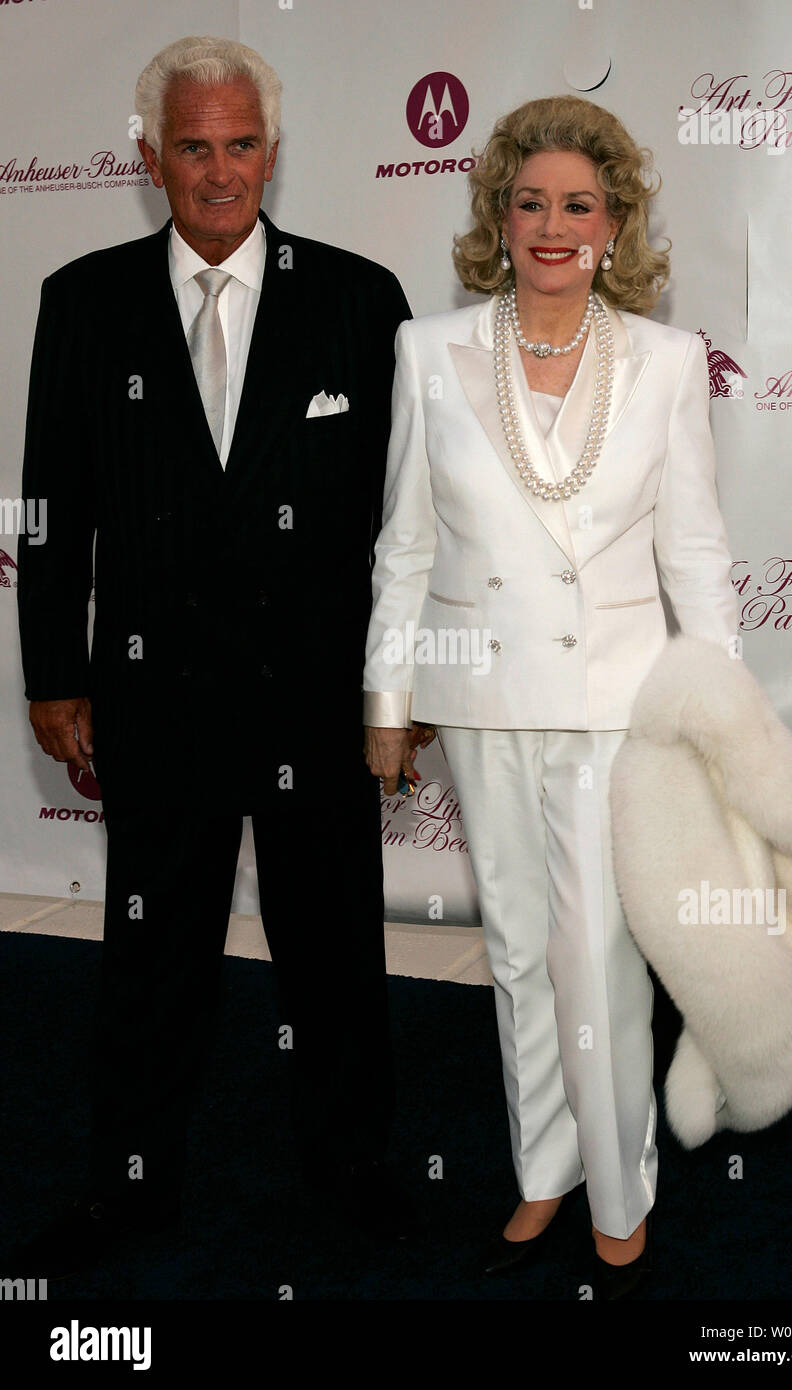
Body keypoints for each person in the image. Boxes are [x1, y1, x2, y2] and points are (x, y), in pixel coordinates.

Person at [16, 35, 410, 1274]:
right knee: (152, 958)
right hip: (156, 693)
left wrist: (407, 678)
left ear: (273, 154)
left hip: (314, 702)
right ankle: (130, 1188)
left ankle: (353, 1177)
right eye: (194, 146)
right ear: (149, 157)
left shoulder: (361, 300)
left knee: (335, 951)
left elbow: (409, 522)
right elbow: (50, 506)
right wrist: (53, 675)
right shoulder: (82, 300)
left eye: (241, 145)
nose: (220, 170)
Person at [363, 95, 738, 1299]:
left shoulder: (670, 363)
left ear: (615, 223)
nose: (553, 224)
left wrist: (721, 715)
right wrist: (387, 694)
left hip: (612, 704)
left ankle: (620, 1192)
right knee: (520, 950)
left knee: (596, 957)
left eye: (579, 204)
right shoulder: (430, 351)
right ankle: (547, 1167)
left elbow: (696, 557)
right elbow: (403, 544)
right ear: (499, 217)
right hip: (477, 695)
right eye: (531, 202)